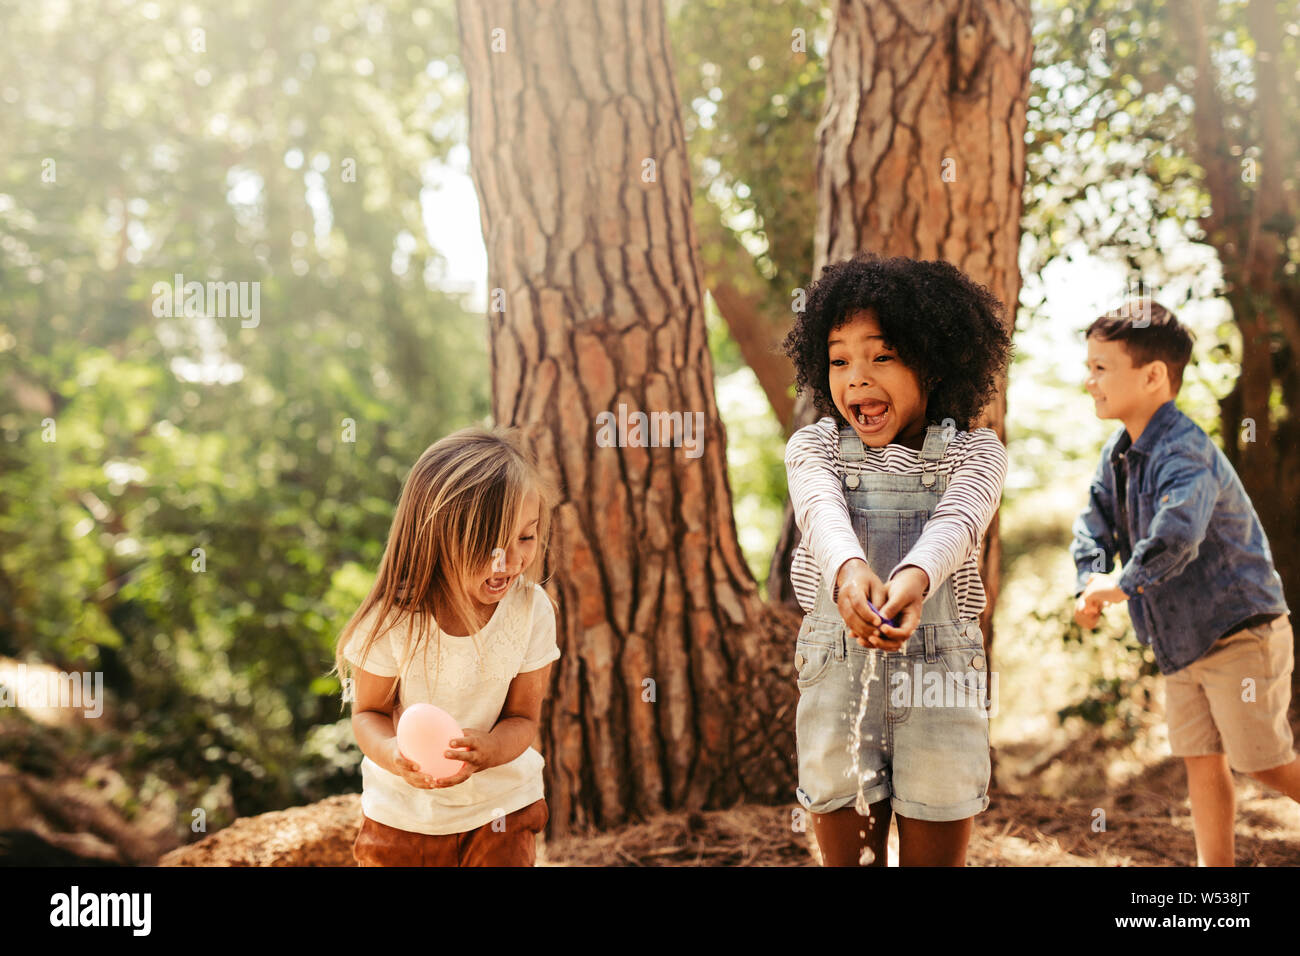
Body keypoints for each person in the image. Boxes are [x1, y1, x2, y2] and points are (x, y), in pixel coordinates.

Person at [783, 252, 1012, 866]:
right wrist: (849, 571)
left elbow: (958, 521)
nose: (856, 379)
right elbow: (820, 512)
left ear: (932, 362)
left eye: (881, 356)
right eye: (839, 360)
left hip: (941, 685)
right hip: (836, 679)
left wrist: (913, 578)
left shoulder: (976, 453)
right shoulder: (814, 447)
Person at [1070, 299, 1297, 866]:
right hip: (1180, 643)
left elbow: (1177, 534)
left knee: (1263, 762)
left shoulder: (1184, 451)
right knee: (1201, 758)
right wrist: (1091, 577)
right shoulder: (1118, 455)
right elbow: (1093, 522)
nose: (1089, 381)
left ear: (1152, 376)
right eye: (1088, 366)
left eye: (1101, 368)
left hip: (1238, 632)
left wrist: (1122, 585)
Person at [330, 426, 560, 866]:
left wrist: (491, 749)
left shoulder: (531, 610)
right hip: (403, 818)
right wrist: (392, 754)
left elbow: (523, 718)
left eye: (526, 537)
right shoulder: (394, 619)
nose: (513, 561)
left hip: (501, 809)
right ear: (438, 535)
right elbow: (368, 714)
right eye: (492, 544)